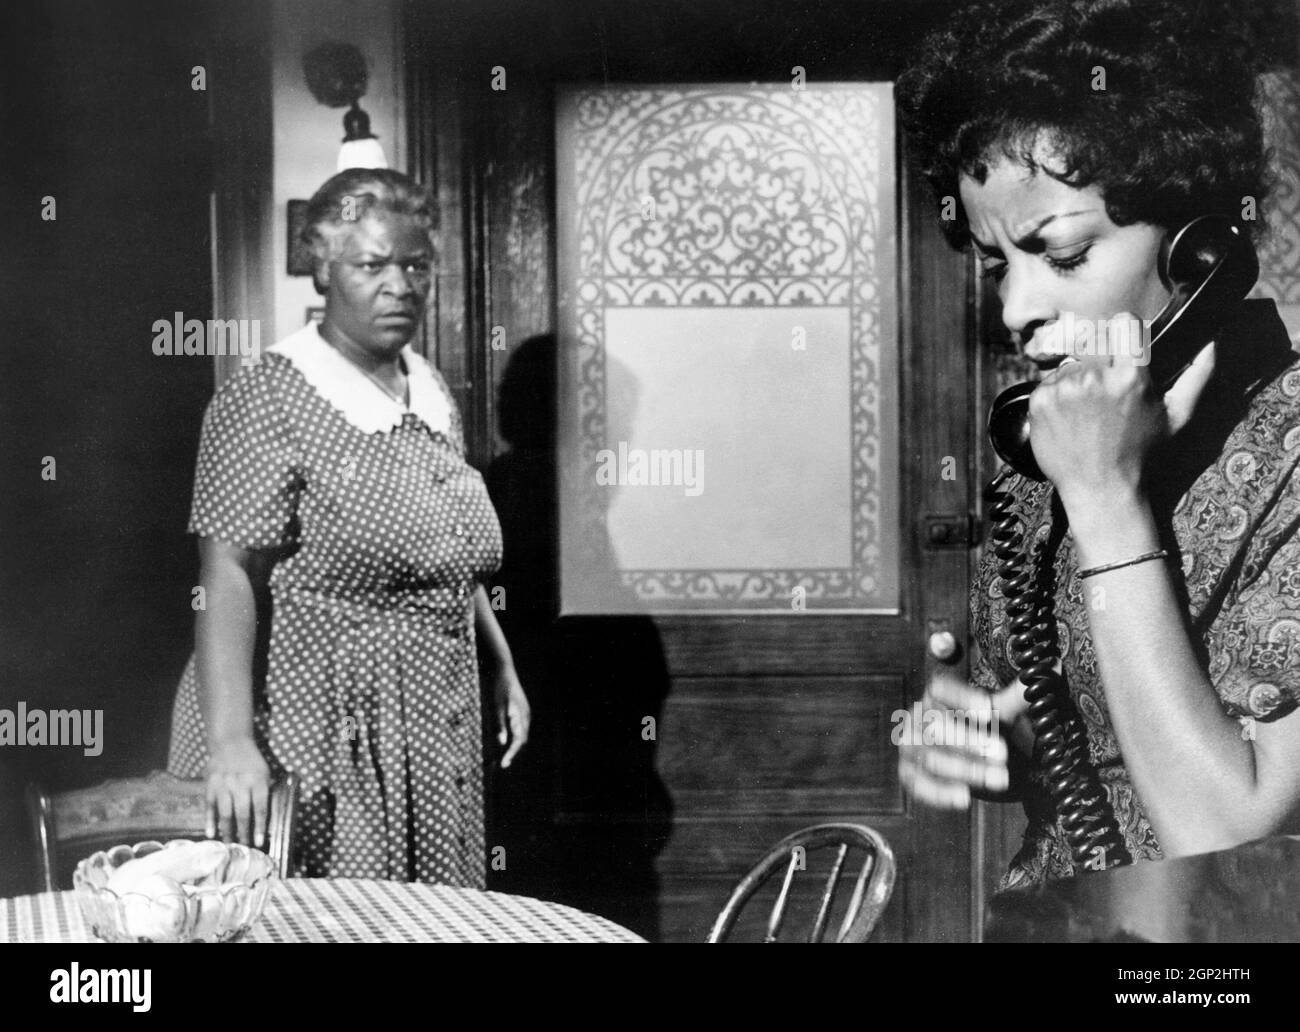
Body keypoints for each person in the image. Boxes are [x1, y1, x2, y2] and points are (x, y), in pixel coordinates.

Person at [895, 0, 1300, 888]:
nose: (1014, 310)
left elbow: (1231, 833)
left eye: (1066, 255)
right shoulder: (1057, 455)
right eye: (1001, 263)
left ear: (1201, 253)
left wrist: (1108, 503)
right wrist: (996, 736)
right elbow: (1090, 721)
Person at [167, 168, 529, 887]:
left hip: (431, 711)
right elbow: (227, 573)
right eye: (371, 265)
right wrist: (232, 740)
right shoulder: (270, 393)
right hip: (319, 719)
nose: (400, 284)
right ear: (324, 269)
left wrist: (501, 663)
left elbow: (450, 556)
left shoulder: (426, 390)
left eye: (416, 265)